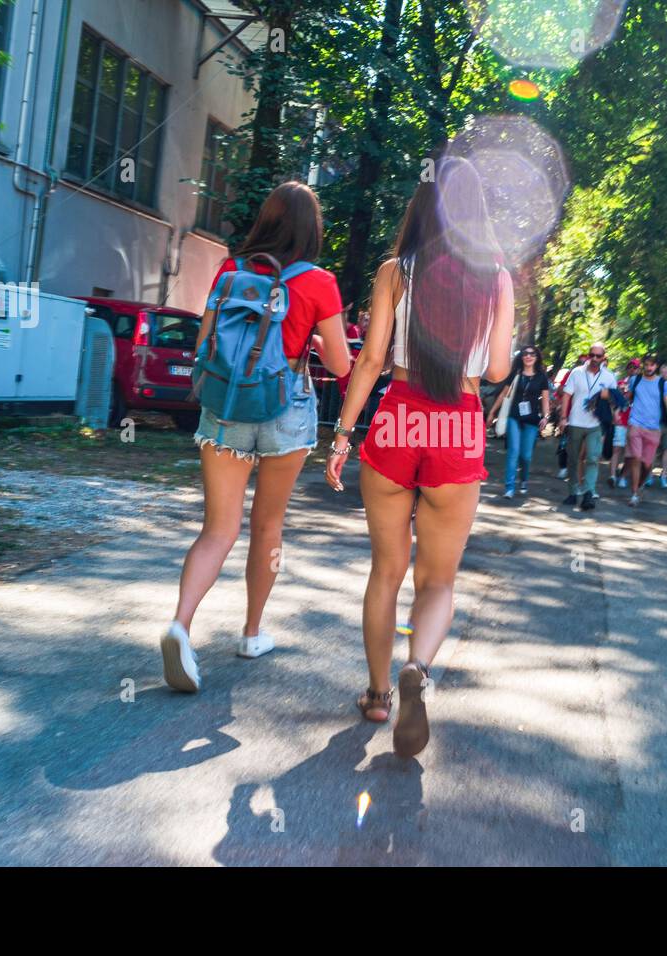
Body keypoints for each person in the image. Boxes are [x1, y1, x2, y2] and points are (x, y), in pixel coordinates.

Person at [326, 157, 514, 758]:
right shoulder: (497, 277)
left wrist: (341, 437)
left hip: (397, 419)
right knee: (438, 579)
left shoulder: (394, 271)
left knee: (387, 570)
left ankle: (378, 694)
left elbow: (371, 359)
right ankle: (418, 670)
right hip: (457, 427)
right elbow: (497, 371)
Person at [161, 181, 351, 692]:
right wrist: (305, 334)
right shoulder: (318, 282)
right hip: (285, 406)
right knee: (267, 527)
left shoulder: (230, 270)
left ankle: (180, 624)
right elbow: (339, 363)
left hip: (226, 405)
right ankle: (251, 633)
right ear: (313, 228)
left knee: (217, 529)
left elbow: (204, 343)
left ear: (266, 220)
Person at [488, 345, 551, 498]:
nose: (528, 356)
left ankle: (523, 480)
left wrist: (546, 417)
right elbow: (504, 394)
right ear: (522, 357)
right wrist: (492, 412)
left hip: (531, 419)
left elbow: (545, 399)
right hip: (514, 416)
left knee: (526, 455)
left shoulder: (541, 377)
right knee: (513, 451)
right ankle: (509, 487)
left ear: (536, 358)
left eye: (532, 354)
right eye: (525, 354)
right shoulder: (515, 374)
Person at [560, 345, 617, 510]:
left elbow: (616, 400)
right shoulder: (577, 372)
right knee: (573, 458)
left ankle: (588, 493)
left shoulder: (608, 376)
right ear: (588, 355)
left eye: (598, 356)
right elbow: (567, 395)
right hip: (576, 421)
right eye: (592, 355)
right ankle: (572, 492)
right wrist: (563, 417)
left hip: (595, 424)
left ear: (603, 358)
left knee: (592, 457)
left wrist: (609, 399)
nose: (594, 358)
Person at [626, 355, 667, 506]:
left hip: (653, 428)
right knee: (636, 458)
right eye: (646, 365)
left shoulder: (663, 384)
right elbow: (629, 398)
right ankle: (634, 493)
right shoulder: (636, 380)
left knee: (647, 464)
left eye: (652, 365)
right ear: (643, 366)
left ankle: (640, 485)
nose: (648, 368)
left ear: (656, 367)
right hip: (635, 424)